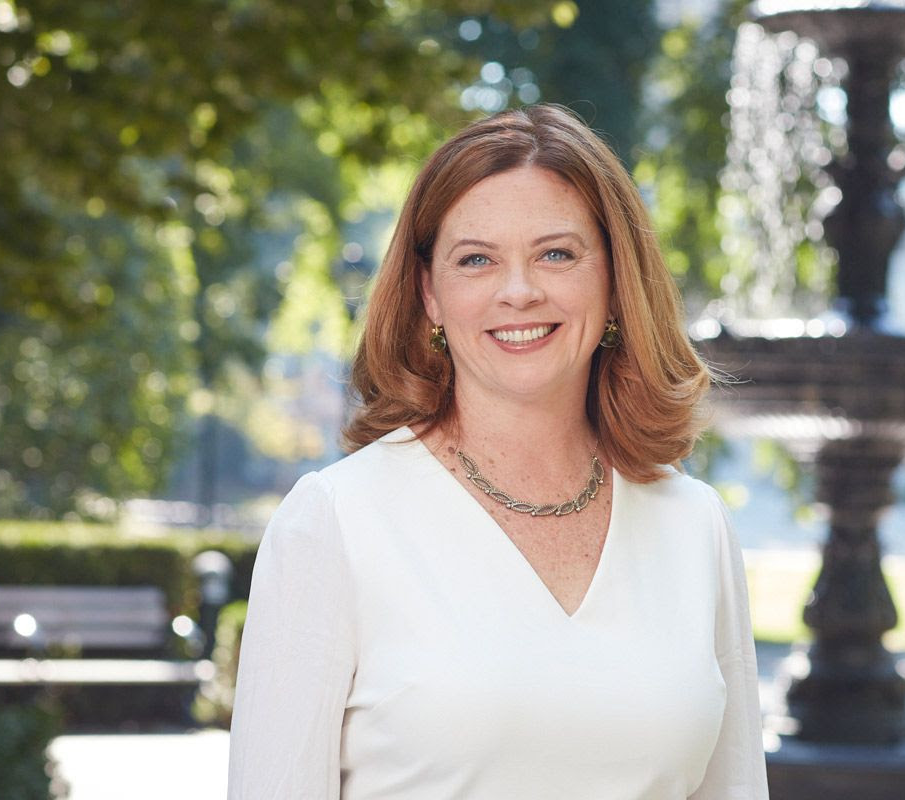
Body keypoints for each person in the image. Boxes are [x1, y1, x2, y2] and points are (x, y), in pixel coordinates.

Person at [228, 104, 769, 799]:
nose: (518, 291)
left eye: (556, 253)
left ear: (614, 283)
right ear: (430, 294)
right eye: (476, 259)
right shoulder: (335, 522)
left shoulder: (694, 524)